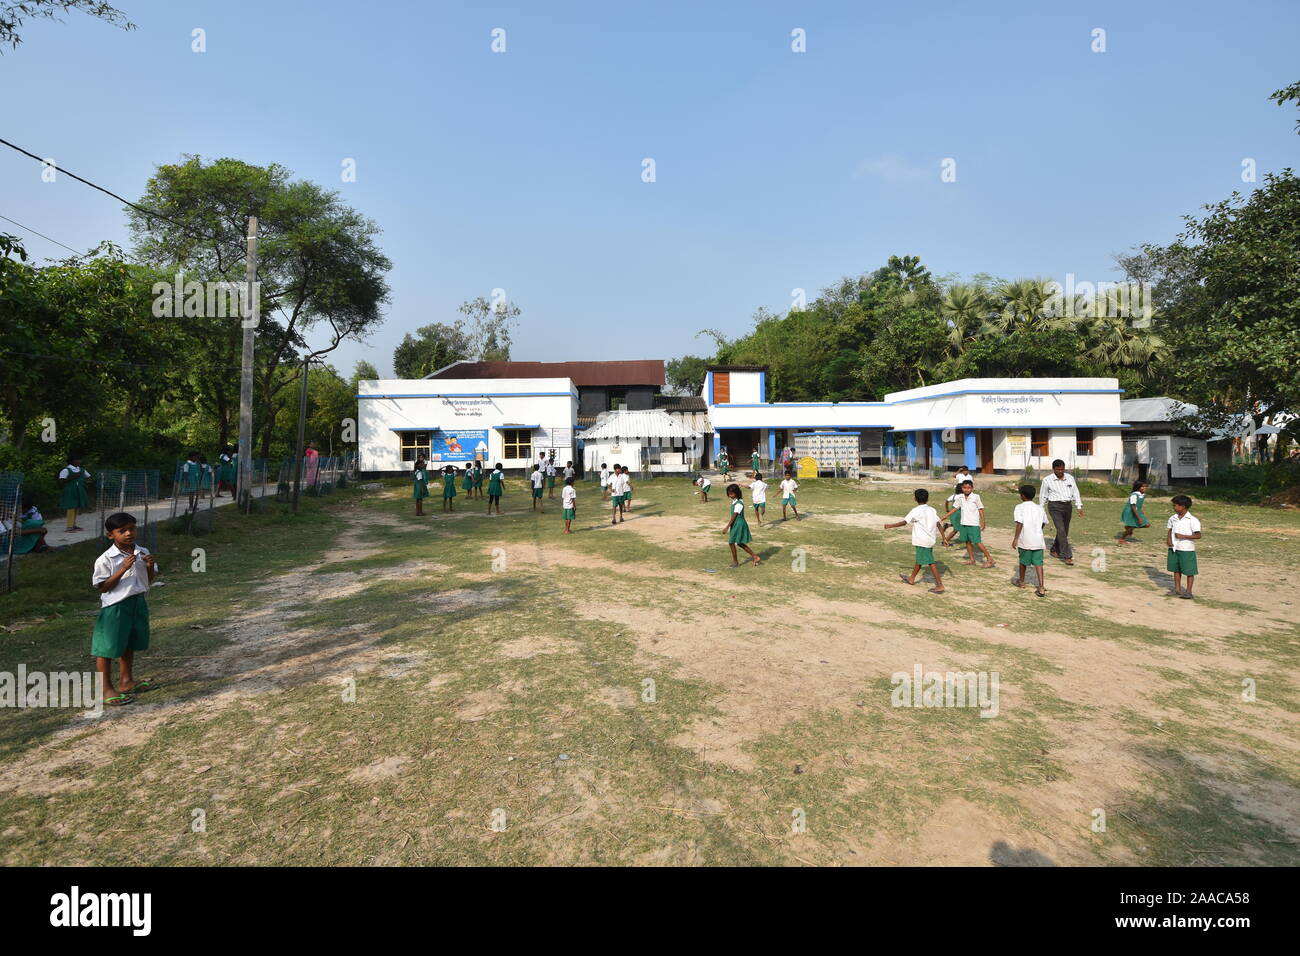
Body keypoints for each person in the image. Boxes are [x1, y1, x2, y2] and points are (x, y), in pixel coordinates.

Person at [92, 512, 159, 706]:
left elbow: (149, 579)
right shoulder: (106, 559)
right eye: (122, 531)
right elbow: (103, 587)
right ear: (111, 535)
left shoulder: (141, 551)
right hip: (116, 607)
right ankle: (105, 689)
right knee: (105, 648)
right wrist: (122, 569)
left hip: (137, 602)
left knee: (129, 643)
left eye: (132, 529)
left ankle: (126, 681)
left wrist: (149, 566)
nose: (128, 534)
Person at [883, 488, 944, 593]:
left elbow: (904, 522)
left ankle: (940, 585)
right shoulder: (932, 510)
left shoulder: (915, 511)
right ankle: (911, 578)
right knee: (920, 559)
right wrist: (944, 537)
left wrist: (890, 526)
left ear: (915, 499)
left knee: (930, 562)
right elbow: (938, 523)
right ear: (927, 498)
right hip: (929, 539)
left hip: (922, 540)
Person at [1040, 459, 1084, 566]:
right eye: (1058, 469)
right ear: (1053, 469)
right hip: (1054, 506)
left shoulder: (1070, 478)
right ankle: (1067, 556)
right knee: (1061, 529)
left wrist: (1079, 506)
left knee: (1064, 530)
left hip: (1067, 506)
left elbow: (1075, 492)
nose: (1060, 471)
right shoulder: (1047, 480)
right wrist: (1041, 510)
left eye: (1062, 469)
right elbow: (1043, 496)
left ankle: (1054, 549)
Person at [943, 479, 995, 568]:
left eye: (969, 488)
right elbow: (955, 508)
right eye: (965, 488)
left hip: (973, 523)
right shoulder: (960, 498)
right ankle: (972, 559)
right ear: (962, 488)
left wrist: (983, 521)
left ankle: (990, 559)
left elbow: (980, 509)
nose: (967, 489)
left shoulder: (976, 497)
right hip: (964, 523)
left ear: (972, 488)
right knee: (967, 541)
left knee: (977, 542)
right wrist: (946, 516)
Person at [1011, 484, 1048, 597]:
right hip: (1038, 540)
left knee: (1023, 562)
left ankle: (1022, 582)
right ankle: (1041, 587)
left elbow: (1019, 523)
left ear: (1022, 495)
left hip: (1025, 539)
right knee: (1039, 563)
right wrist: (1038, 530)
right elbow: (1043, 522)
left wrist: (1015, 538)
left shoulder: (1019, 507)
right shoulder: (1039, 508)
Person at [1166, 494, 1201, 599]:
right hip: (1174, 547)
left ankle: (1189, 591)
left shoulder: (1192, 520)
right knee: (1176, 569)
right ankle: (1177, 589)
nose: (1174, 507)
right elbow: (1170, 529)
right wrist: (1168, 540)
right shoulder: (1173, 518)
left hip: (1187, 548)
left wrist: (1183, 536)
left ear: (1183, 506)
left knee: (1189, 571)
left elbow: (1198, 535)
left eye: (1175, 505)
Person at [724, 482, 760, 567]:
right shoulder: (736, 501)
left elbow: (734, 515)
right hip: (736, 523)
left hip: (738, 524)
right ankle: (755, 557)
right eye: (729, 494)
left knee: (731, 542)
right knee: (739, 543)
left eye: (731, 493)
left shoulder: (739, 503)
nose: (730, 495)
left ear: (736, 493)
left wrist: (727, 526)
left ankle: (736, 562)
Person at [58, 454, 93, 531]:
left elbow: (89, 477)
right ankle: (69, 526)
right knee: (71, 506)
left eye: (79, 459)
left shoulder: (81, 469)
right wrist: (74, 476)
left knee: (76, 506)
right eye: (77, 459)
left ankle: (73, 525)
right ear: (71, 461)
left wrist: (84, 481)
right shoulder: (66, 470)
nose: (79, 461)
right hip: (70, 490)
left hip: (79, 489)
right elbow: (62, 481)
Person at [1118, 479, 1150, 544]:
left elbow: (1138, 504)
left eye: (1146, 486)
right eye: (1142, 486)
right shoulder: (1134, 495)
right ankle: (1122, 539)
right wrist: (1139, 518)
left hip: (1137, 511)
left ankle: (1128, 527)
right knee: (1133, 525)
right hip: (1131, 511)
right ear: (1138, 487)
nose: (1144, 488)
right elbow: (1133, 506)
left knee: (1147, 525)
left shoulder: (1143, 494)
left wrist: (1140, 510)